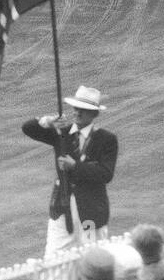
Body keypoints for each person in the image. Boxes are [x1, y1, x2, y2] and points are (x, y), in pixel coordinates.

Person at [22, 85, 119, 257]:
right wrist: (46, 121)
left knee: (92, 256)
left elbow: (105, 174)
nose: (78, 113)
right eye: (76, 108)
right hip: (62, 207)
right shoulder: (62, 134)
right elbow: (28, 128)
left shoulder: (106, 139)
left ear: (94, 114)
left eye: (84, 110)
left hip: (90, 213)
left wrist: (75, 167)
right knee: (54, 256)